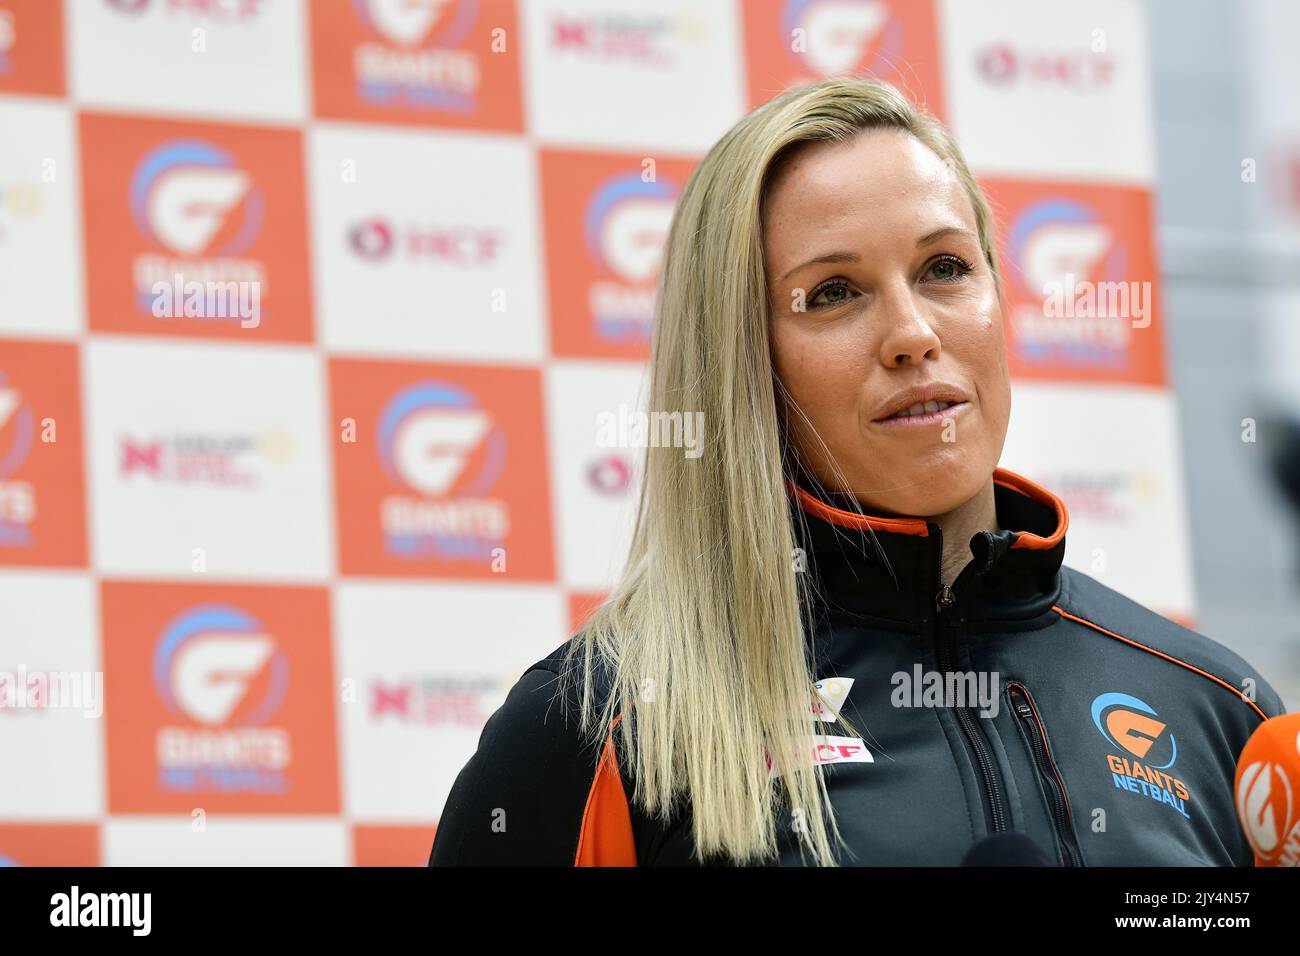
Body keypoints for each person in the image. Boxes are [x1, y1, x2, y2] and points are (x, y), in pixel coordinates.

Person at [428, 77, 1288, 867]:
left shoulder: (1217, 708)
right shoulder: (598, 729)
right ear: (744, 365)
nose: (912, 331)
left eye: (945, 268)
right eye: (834, 291)